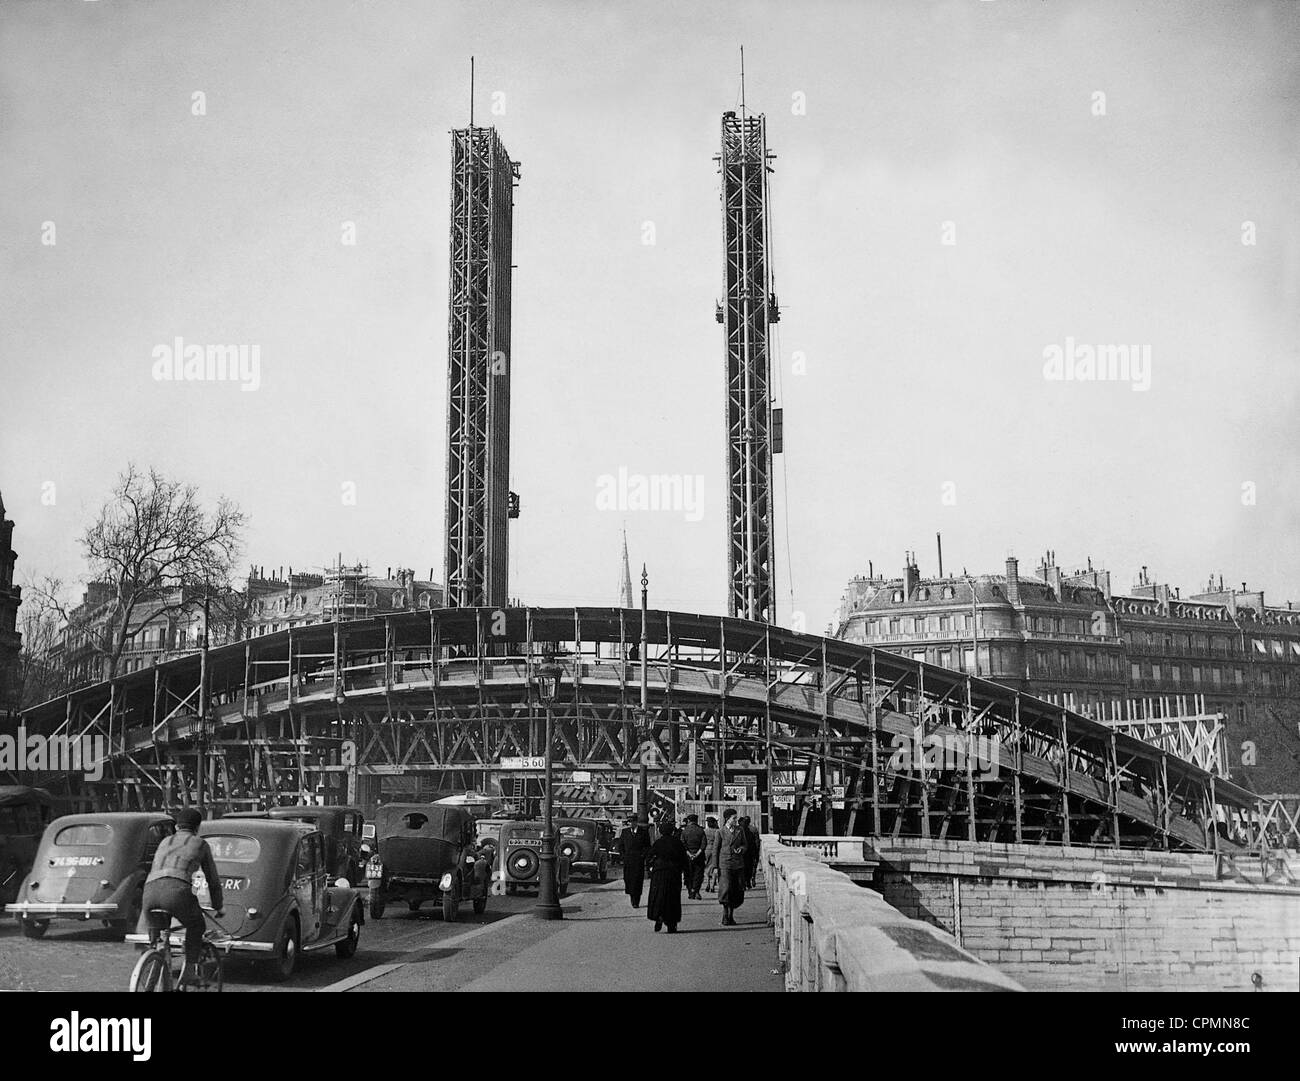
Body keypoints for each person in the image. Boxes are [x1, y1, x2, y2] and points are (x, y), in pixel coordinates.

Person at [139, 808, 224, 985]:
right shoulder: (200, 844)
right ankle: (190, 971)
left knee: (158, 933)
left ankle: (155, 956)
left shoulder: (165, 841)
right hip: (177, 892)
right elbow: (212, 879)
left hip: (149, 892)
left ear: (177, 826)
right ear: (197, 827)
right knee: (196, 925)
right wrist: (218, 906)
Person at [645, 820, 688, 933]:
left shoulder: (658, 843)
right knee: (672, 898)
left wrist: (650, 868)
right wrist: (686, 874)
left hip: (659, 873)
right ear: (672, 831)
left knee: (658, 896)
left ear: (661, 831)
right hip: (674, 873)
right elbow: (684, 859)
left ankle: (658, 916)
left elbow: (649, 856)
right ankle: (671, 924)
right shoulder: (677, 843)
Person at [710, 807, 748, 926]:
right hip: (725, 864)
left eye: (736, 818)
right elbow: (715, 850)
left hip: (738, 864)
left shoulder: (740, 830)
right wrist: (715, 867)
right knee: (726, 889)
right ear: (727, 819)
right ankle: (725, 915)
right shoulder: (720, 832)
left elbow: (745, 845)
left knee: (737, 890)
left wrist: (741, 849)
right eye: (734, 818)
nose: (736, 820)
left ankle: (731, 915)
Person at [616, 816, 651, 907]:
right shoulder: (625, 832)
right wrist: (623, 856)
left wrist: (642, 856)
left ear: (636, 822)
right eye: (630, 822)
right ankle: (632, 896)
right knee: (628, 880)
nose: (631, 823)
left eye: (633, 821)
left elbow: (647, 846)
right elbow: (620, 845)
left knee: (637, 880)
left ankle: (636, 900)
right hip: (628, 861)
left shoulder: (643, 832)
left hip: (638, 861)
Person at [679, 814, 707, 900]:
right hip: (699, 856)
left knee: (688, 874)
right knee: (698, 874)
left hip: (687, 856)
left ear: (688, 821)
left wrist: (689, 854)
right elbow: (704, 844)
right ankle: (696, 890)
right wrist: (697, 854)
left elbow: (682, 844)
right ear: (696, 820)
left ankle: (690, 891)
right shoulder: (701, 831)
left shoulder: (684, 831)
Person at [741, 815, 761, 889]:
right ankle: (749, 881)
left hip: (744, 851)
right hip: (751, 851)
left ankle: (744, 882)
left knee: (744, 867)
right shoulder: (753, 829)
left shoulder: (741, 829)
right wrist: (757, 851)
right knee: (750, 867)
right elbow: (757, 841)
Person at [703, 815, 720, 893]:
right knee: (714, 867)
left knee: (707, 868)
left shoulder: (704, 831)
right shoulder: (718, 831)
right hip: (715, 850)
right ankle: (713, 885)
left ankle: (708, 883)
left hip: (707, 850)